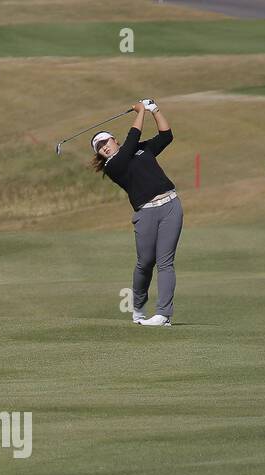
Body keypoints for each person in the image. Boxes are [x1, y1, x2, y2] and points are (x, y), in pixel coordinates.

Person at [92, 100, 182, 327]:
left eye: (105, 141)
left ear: (114, 140)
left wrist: (154, 109)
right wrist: (141, 111)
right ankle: (139, 309)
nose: (103, 146)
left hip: (171, 205)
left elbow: (166, 136)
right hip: (146, 213)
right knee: (145, 263)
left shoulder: (141, 149)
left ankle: (163, 315)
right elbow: (133, 138)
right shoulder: (113, 166)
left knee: (165, 262)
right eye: (99, 147)